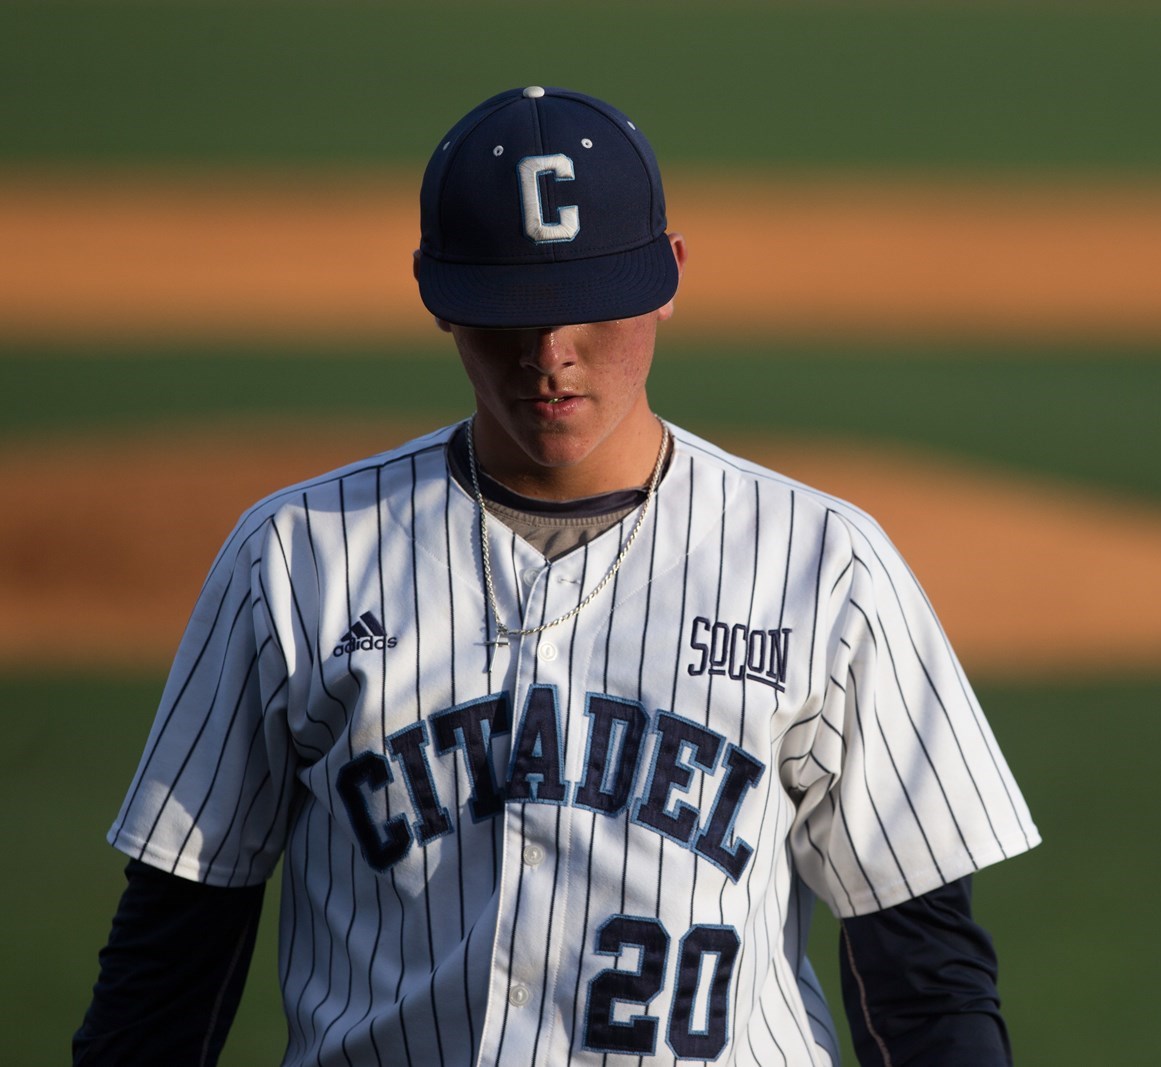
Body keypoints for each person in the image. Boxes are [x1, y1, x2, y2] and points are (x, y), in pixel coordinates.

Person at [75, 85, 1040, 1066]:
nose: (549, 355)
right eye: (507, 313)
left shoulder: (822, 565)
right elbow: (173, 949)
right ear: (435, 292)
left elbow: (923, 975)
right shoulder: (296, 556)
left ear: (669, 276)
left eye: (588, 307)